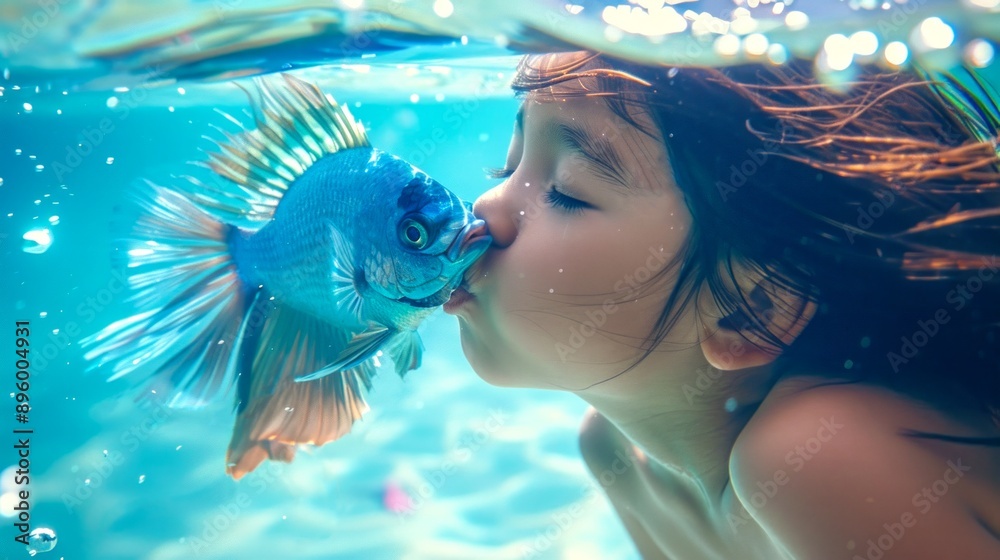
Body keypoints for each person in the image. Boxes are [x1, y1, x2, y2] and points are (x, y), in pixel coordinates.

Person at [445, 51, 1000, 559]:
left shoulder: (812, 455)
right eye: (509, 166)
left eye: (567, 191)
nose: (485, 206)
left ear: (749, 309)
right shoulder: (616, 454)